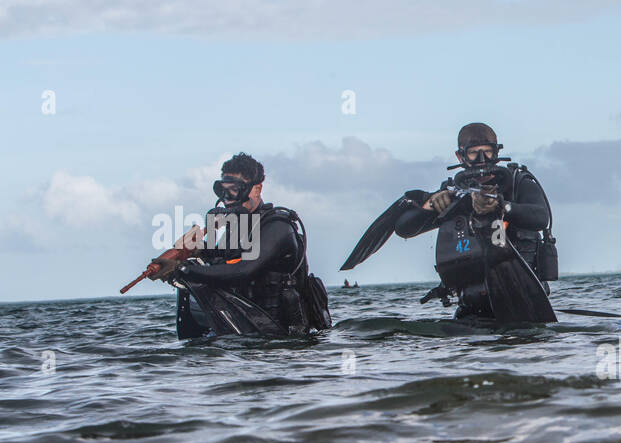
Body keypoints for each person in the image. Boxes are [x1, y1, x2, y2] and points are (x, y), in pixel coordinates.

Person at [365, 122, 557, 322]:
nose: (482, 160)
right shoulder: (453, 194)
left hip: (520, 298)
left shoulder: (519, 183)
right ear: (460, 156)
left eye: (487, 152)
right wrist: (431, 205)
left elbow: (541, 217)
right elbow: (404, 228)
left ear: (497, 151)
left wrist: (501, 206)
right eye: (474, 153)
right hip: (471, 310)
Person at [148, 153, 330, 339]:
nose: (227, 198)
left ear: (256, 190)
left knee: (192, 272)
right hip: (243, 331)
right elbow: (216, 261)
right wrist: (191, 252)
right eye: (222, 191)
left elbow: (245, 269)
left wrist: (183, 270)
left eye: (234, 190)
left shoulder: (278, 227)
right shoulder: (237, 227)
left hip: (280, 339)